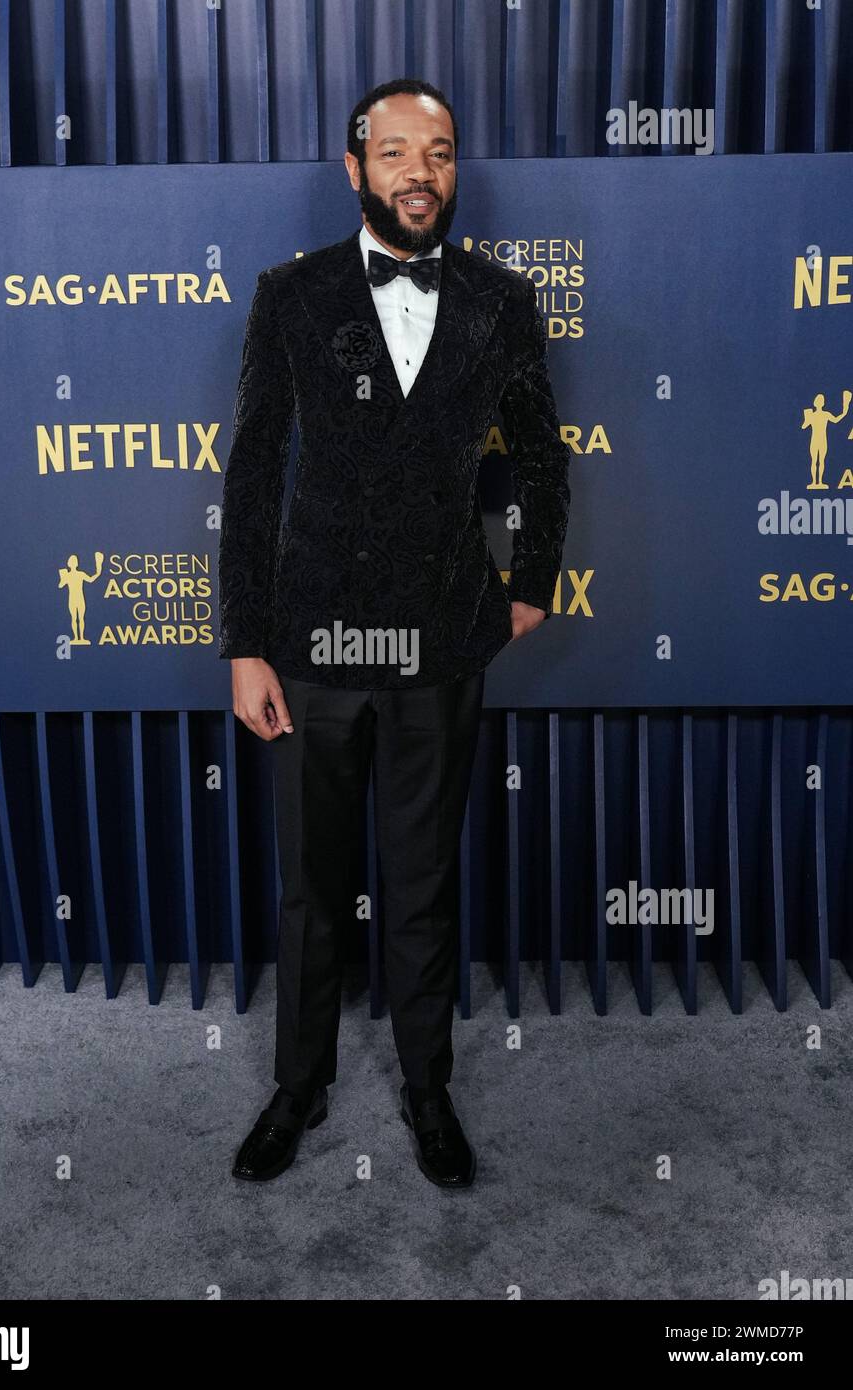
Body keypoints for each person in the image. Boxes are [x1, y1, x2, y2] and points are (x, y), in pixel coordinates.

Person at [218, 77, 571, 1186]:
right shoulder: (291, 294)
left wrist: (531, 584)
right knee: (312, 883)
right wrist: (244, 643)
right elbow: (255, 464)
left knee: (422, 880)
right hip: (311, 646)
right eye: (399, 152)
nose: (423, 171)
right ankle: (299, 1083)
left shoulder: (503, 298)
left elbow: (542, 453)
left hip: (440, 644)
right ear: (355, 165)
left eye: (443, 152)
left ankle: (428, 1088)